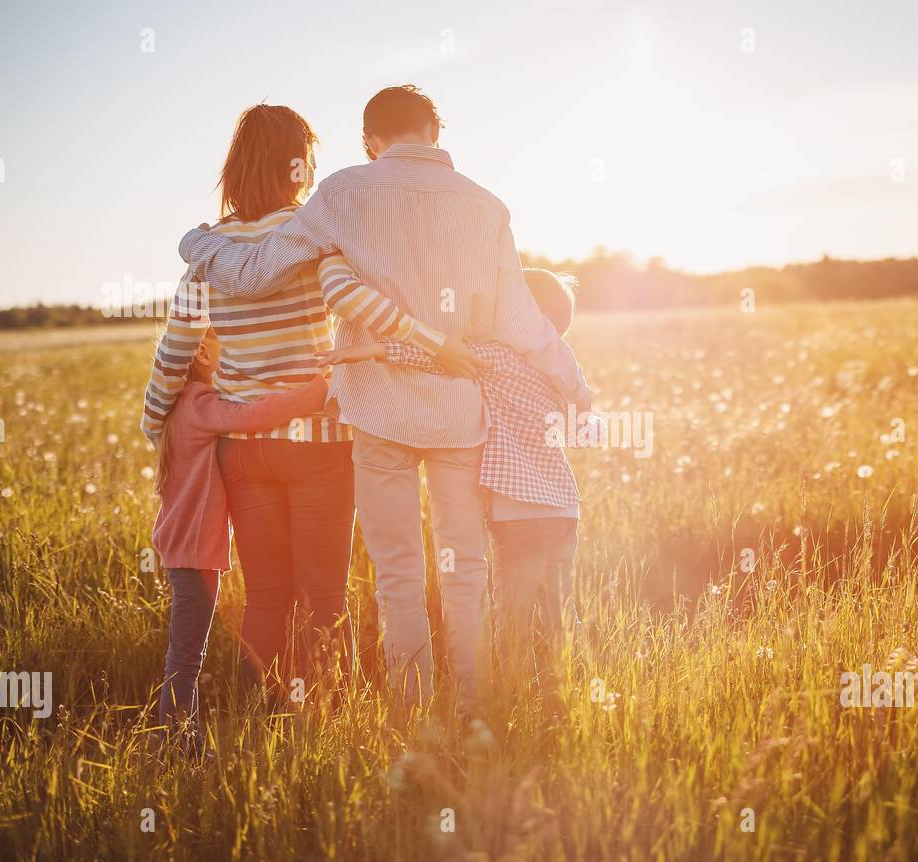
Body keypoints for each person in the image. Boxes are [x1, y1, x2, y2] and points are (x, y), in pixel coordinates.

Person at [176, 86, 591, 707]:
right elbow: (520, 324)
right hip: (457, 413)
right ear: (435, 129)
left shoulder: (344, 191)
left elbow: (255, 273)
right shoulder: (488, 208)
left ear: (371, 140)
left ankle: (410, 704)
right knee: (465, 570)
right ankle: (472, 702)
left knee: (398, 573)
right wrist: (576, 387)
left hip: (378, 412)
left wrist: (196, 242)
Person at [142, 103, 455, 692]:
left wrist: (155, 420)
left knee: (265, 594)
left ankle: (255, 712)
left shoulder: (209, 253)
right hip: (320, 440)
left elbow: (175, 351)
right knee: (323, 594)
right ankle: (321, 713)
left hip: (244, 448)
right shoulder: (312, 236)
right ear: (299, 165)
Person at [316, 262, 600, 672]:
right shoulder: (562, 369)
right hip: (562, 509)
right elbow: (584, 421)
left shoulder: (498, 357)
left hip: (516, 514)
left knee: (514, 621)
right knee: (560, 616)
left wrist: (372, 349)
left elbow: (434, 357)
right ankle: (562, 695)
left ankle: (510, 698)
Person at [149, 325, 328, 741]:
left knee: (188, 653)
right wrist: (314, 393)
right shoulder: (199, 402)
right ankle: (172, 741)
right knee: (187, 656)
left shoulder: (176, 406)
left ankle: (182, 741)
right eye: (222, 342)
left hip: (186, 549)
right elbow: (250, 415)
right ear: (205, 357)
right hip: (193, 552)